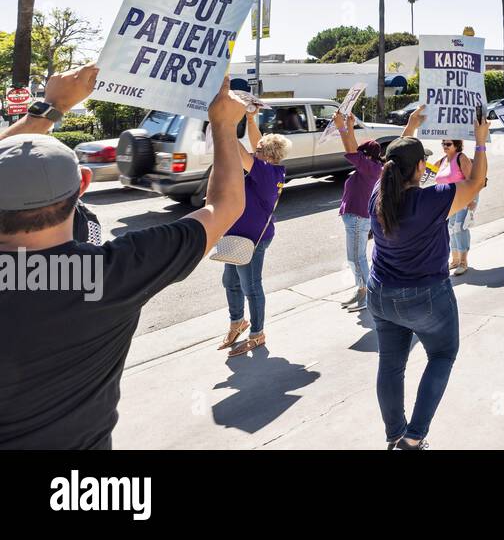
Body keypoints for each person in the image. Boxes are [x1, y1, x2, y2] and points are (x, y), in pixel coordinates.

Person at [0, 67, 248, 449]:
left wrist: (50, 107)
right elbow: (226, 206)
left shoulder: (120, 270)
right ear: (84, 184)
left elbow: (223, 205)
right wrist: (223, 123)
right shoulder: (116, 272)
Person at [368, 107, 489, 449]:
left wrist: (411, 128)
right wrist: (480, 143)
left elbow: (393, 162)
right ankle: (414, 437)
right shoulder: (430, 201)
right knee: (442, 355)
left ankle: (395, 435)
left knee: (391, 366)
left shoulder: (377, 195)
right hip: (425, 297)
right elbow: (475, 182)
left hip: (381, 296)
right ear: (421, 168)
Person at [217, 110, 289, 356]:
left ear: (267, 156)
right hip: (237, 238)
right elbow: (256, 143)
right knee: (230, 281)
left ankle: (257, 334)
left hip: (253, 240)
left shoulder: (267, 172)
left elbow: (241, 152)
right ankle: (237, 322)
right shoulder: (267, 168)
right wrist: (249, 120)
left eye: (257, 151)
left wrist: (225, 125)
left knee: (251, 287)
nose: (253, 151)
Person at [334, 107, 420, 310]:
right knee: (355, 258)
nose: (356, 160)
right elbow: (356, 150)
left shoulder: (370, 169)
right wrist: (348, 126)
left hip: (357, 219)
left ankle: (366, 296)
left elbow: (350, 149)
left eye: (360, 156)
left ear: (366, 156)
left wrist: (343, 129)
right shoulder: (374, 168)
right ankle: (361, 290)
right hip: (356, 219)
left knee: (357, 258)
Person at [431, 139, 477, 275]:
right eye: (443, 144)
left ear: (457, 145)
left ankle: (463, 262)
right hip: (448, 201)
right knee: (451, 229)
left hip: (463, 198)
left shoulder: (461, 158)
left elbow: (471, 179)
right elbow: (429, 174)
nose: (445, 146)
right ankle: (455, 259)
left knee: (459, 227)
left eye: (448, 144)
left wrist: (471, 200)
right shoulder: (443, 160)